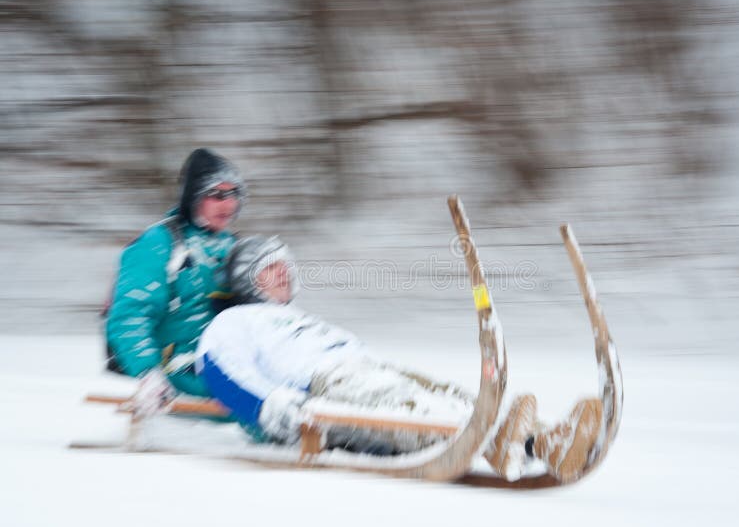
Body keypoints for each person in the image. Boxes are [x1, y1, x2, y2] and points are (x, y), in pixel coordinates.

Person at [194, 235, 604, 482]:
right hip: (322, 385)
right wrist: (266, 405)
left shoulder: (295, 317)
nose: (284, 273)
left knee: (451, 395)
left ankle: (549, 439)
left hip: (366, 369)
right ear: (247, 276)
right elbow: (221, 370)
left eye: (285, 266)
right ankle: (502, 443)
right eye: (271, 268)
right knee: (409, 409)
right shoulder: (234, 322)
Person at [105, 148, 247, 400]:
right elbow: (129, 316)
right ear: (193, 197)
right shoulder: (160, 243)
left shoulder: (234, 246)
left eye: (233, 193)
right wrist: (148, 373)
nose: (227, 203)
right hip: (182, 370)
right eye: (216, 194)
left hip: (235, 360)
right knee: (262, 397)